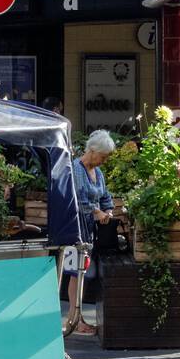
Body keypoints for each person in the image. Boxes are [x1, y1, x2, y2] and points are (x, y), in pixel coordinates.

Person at [65, 130, 115, 336]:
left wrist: (108, 209)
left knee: (81, 272)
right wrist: (97, 212)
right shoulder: (77, 168)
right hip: (77, 228)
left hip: (91, 229)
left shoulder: (98, 172)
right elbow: (77, 200)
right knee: (76, 273)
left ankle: (77, 319)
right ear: (93, 151)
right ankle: (74, 320)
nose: (104, 160)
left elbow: (105, 196)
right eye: (103, 156)